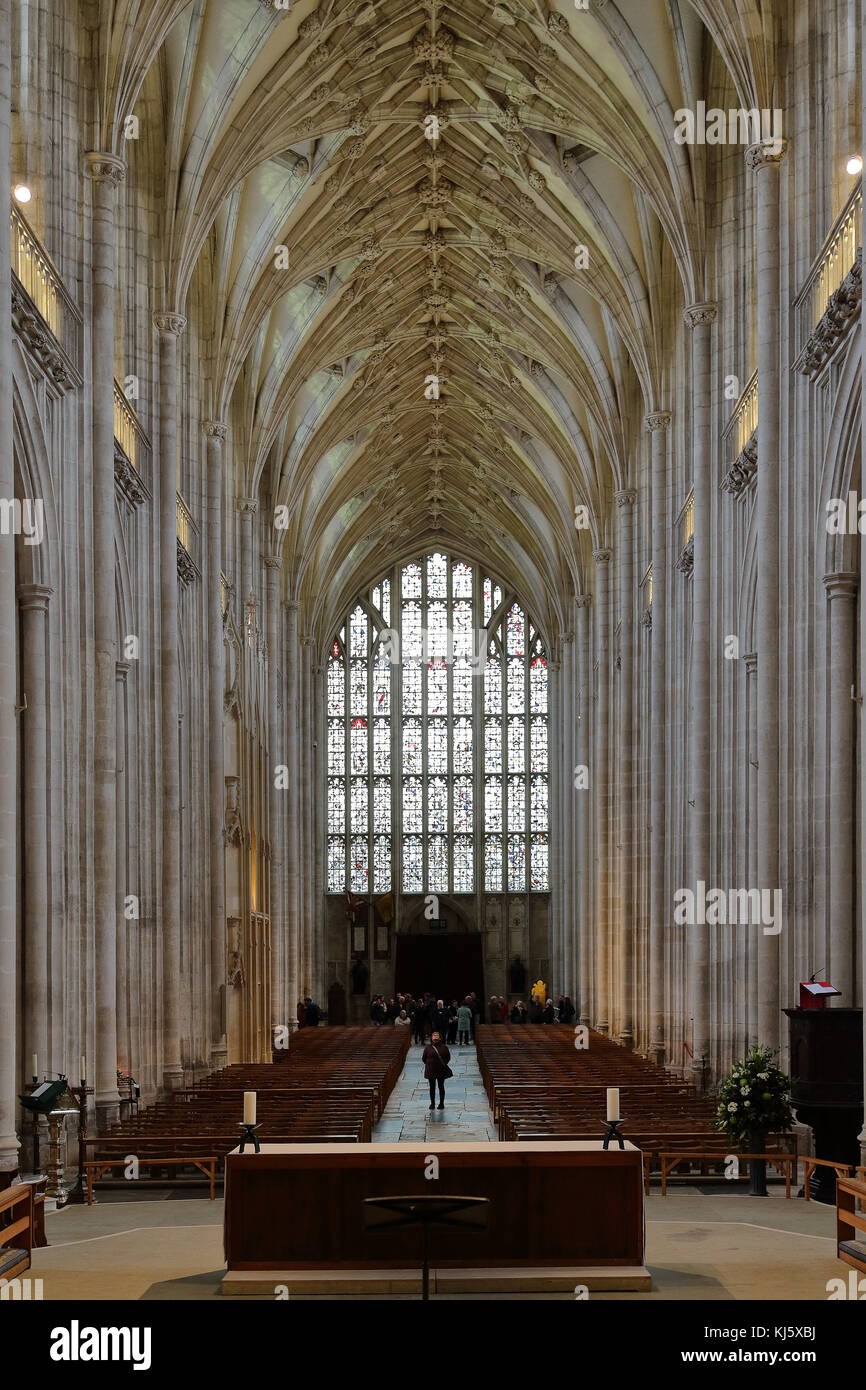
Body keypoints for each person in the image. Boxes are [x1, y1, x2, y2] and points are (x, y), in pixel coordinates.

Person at [422, 1031, 451, 1110]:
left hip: (440, 1070)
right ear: (431, 1038)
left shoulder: (444, 1047)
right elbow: (424, 1058)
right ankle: (432, 1103)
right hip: (431, 1070)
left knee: (441, 1086)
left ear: (440, 1038)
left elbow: (448, 1057)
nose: (435, 1037)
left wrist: (443, 1064)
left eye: (436, 1036)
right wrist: (429, 1064)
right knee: (432, 1087)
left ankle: (441, 1103)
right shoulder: (428, 1048)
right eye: (433, 1036)